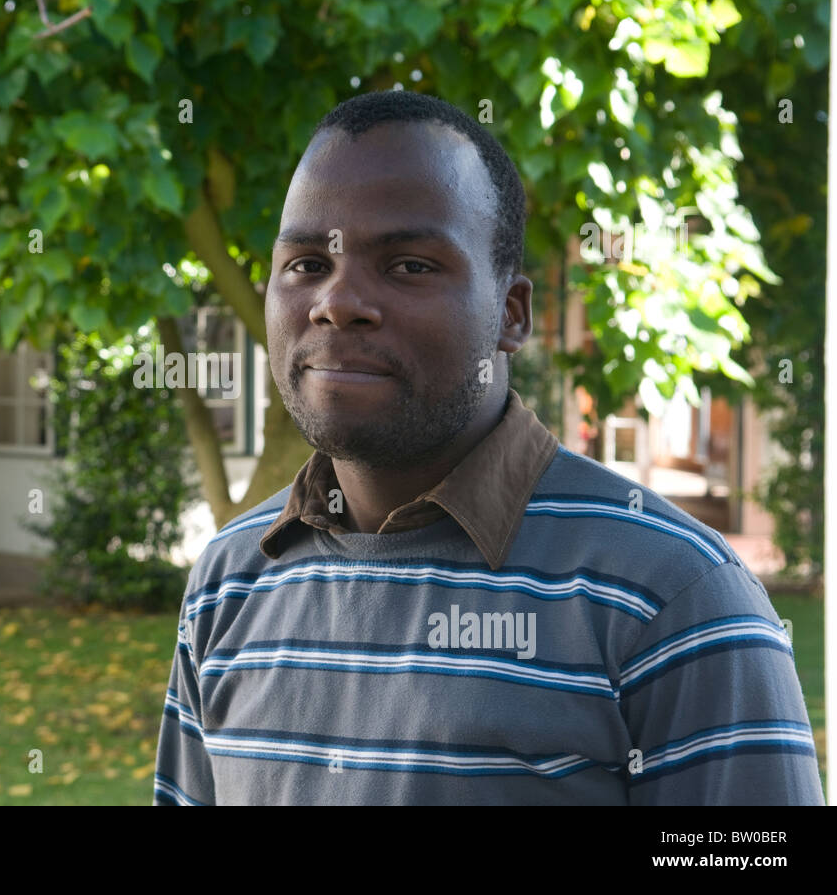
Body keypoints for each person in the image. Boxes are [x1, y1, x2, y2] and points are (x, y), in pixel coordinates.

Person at [153, 89, 823, 805]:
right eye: (307, 263)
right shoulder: (228, 580)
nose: (337, 300)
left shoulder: (673, 597)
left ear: (510, 314)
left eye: (409, 264)